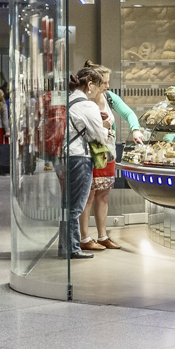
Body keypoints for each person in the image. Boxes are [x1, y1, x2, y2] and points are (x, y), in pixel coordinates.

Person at [61, 65, 112, 259]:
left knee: (67, 204)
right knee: (76, 206)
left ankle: (64, 244)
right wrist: (105, 127)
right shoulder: (87, 105)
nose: (100, 92)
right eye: (99, 87)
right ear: (90, 85)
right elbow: (98, 136)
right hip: (79, 157)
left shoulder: (68, 100)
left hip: (65, 156)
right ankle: (73, 248)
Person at [81, 70, 122, 250]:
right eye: (104, 82)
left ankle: (103, 235)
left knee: (103, 194)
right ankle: (84, 238)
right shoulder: (83, 102)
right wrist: (102, 126)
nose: (107, 86)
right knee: (88, 195)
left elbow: (126, 112)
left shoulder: (108, 98)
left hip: (107, 150)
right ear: (93, 84)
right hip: (91, 151)